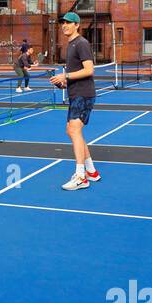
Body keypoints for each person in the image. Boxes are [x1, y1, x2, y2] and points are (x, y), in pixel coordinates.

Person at [52, 13, 100, 190]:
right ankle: (92, 171)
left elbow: (89, 70)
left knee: (74, 130)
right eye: (63, 23)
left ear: (77, 25)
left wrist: (66, 75)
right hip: (75, 93)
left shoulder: (81, 43)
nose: (64, 25)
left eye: (68, 23)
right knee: (72, 130)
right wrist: (64, 82)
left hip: (83, 94)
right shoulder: (71, 45)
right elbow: (76, 73)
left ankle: (81, 177)